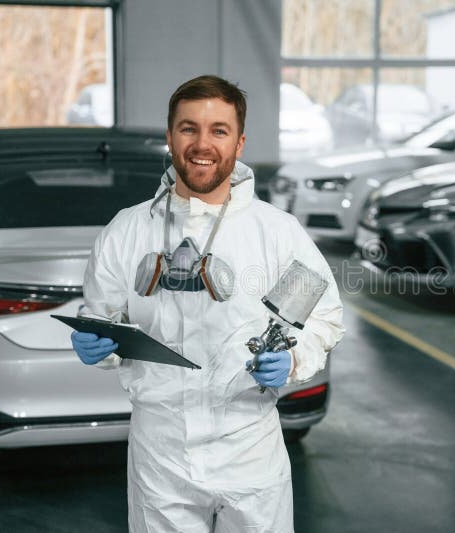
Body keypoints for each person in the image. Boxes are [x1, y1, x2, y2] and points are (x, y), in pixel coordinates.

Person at [69, 74, 345, 532]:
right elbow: (102, 316)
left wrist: (295, 358)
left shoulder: (276, 233)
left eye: (218, 130)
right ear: (170, 137)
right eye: (188, 128)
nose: (202, 143)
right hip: (160, 452)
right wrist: (100, 343)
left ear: (239, 142)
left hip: (249, 445)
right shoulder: (128, 230)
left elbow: (324, 316)